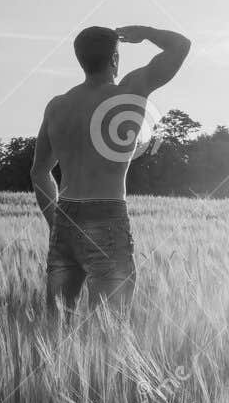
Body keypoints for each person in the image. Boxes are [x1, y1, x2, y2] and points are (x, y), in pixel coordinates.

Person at [32, 24, 191, 313]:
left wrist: (56, 224)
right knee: (110, 334)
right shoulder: (129, 91)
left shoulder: (56, 107)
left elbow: (39, 171)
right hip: (106, 217)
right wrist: (144, 32)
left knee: (55, 331)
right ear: (115, 59)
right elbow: (181, 45)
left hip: (65, 217)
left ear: (79, 59)